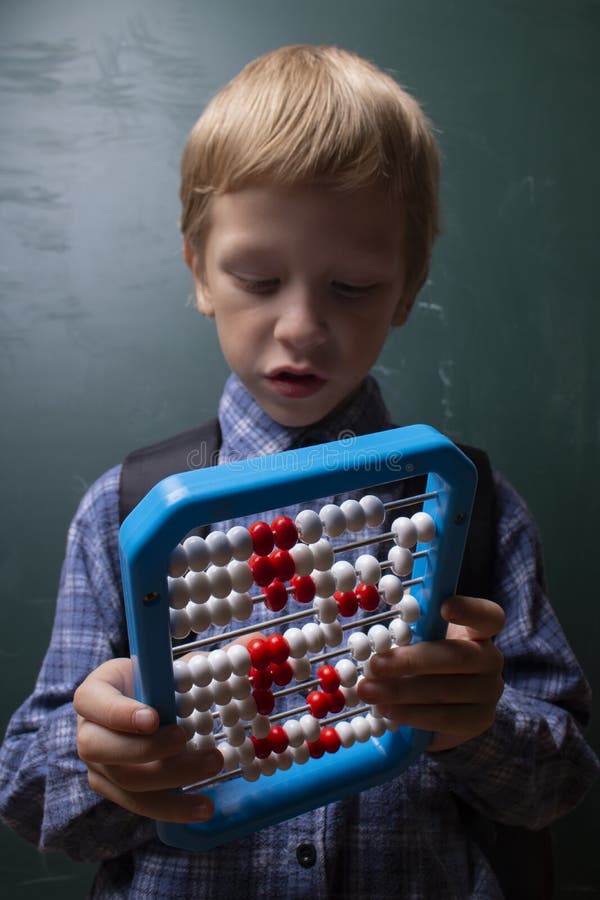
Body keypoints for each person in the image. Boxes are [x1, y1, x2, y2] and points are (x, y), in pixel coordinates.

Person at [0, 45, 597, 899]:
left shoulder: (473, 512)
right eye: (258, 278)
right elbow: (29, 793)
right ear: (199, 272)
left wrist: (476, 725)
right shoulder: (121, 513)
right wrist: (101, 762)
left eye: (352, 286)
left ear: (406, 289)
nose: (302, 326)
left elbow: (560, 784)